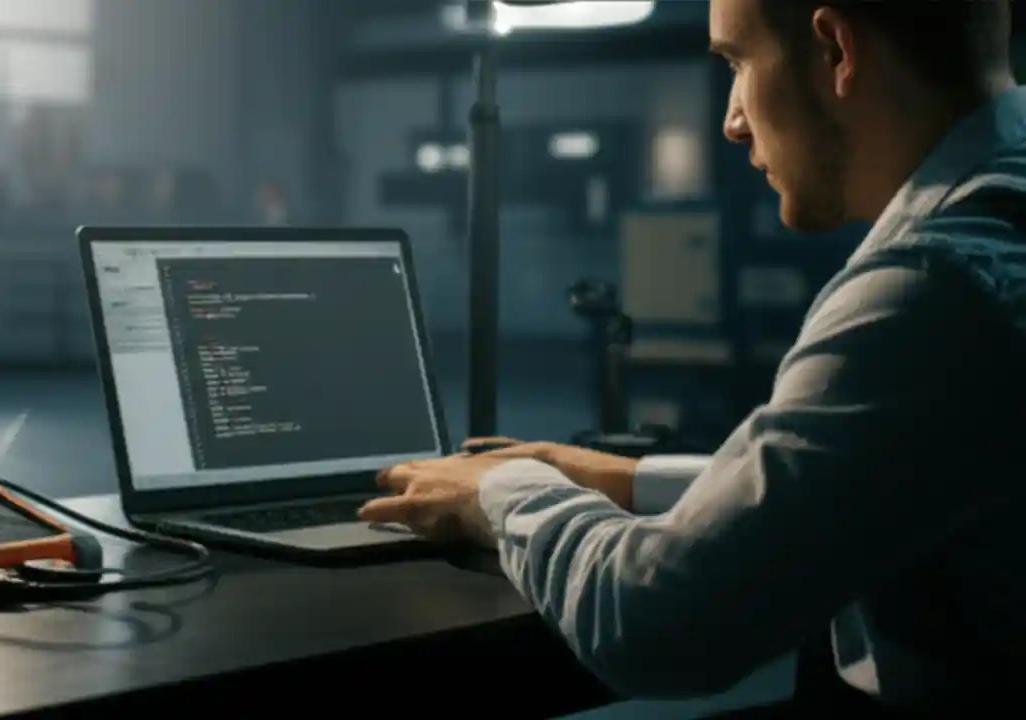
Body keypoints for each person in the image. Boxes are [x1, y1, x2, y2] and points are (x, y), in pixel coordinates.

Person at [359, 0, 1026, 714]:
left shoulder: (932, 290)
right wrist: (629, 479)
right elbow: (873, 472)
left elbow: (659, 622)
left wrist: (502, 491)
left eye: (736, 64)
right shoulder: (996, 220)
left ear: (836, 49)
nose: (732, 120)